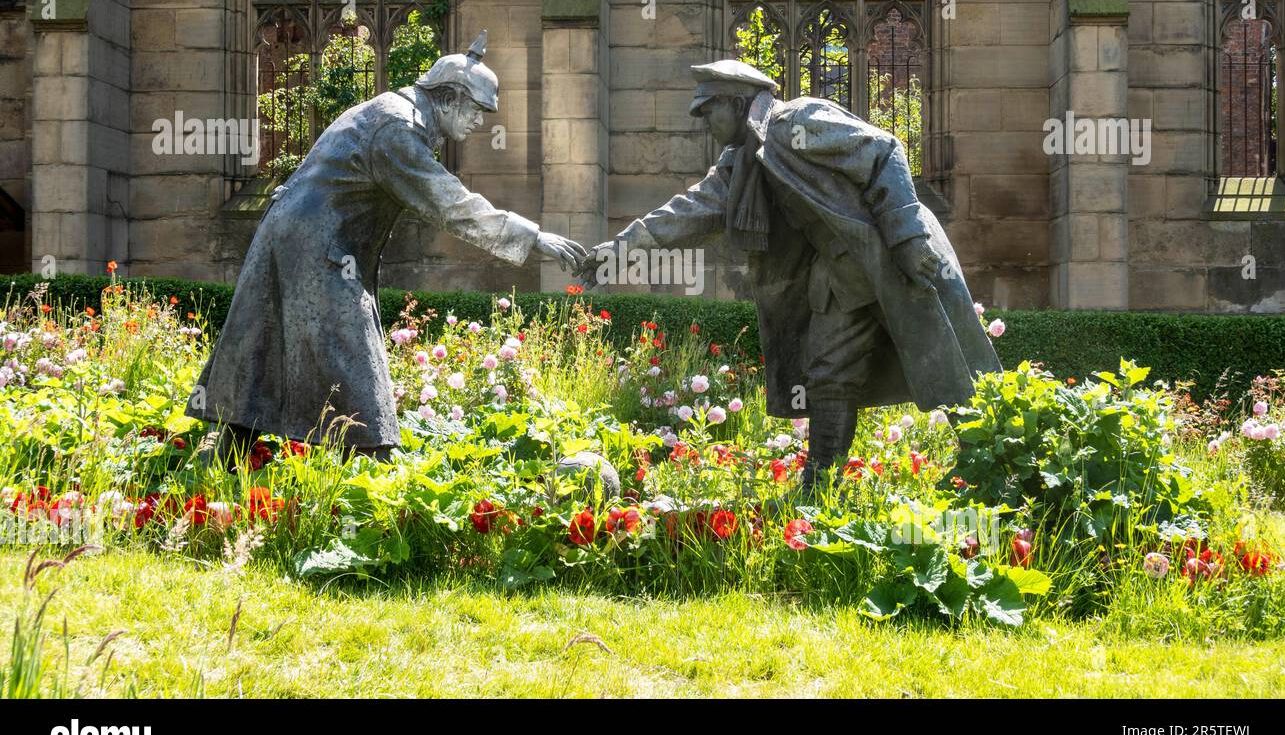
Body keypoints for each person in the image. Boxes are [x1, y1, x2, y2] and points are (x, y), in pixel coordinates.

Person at [576, 60, 1000, 494]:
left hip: (893, 256)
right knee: (829, 373)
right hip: (841, 275)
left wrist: (908, 236)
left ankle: (997, 468)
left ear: (737, 102)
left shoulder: (797, 120)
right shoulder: (740, 164)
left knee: (949, 368)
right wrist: (620, 249)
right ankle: (818, 489)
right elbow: (689, 211)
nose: (705, 122)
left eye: (709, 110)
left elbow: (884, 149)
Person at [188, 31, 585, 465]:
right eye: (476, 111)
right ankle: (378, 475)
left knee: (265, 354)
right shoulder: (398, 127)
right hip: (318, 249)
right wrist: (534, 237)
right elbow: (448, 202)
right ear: (449, 97)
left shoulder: (394, 112)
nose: (479, 123)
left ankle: (219, 467)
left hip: (300, 241)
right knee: (353, 360)